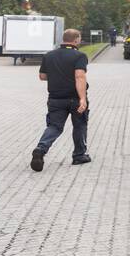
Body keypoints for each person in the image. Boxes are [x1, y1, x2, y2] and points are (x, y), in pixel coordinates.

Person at [30, 28, 91, 171]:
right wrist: (83, 99)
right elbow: (79, 76)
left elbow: (42, 76)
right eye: (79, 39)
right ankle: (79, 155)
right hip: (74, 99)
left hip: (55, 98)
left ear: (63, 39)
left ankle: (41, 149)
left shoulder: (49, 55)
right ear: (76, 40)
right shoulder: (79, 56)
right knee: (80, 125)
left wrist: (57, 74)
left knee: (54, 127)